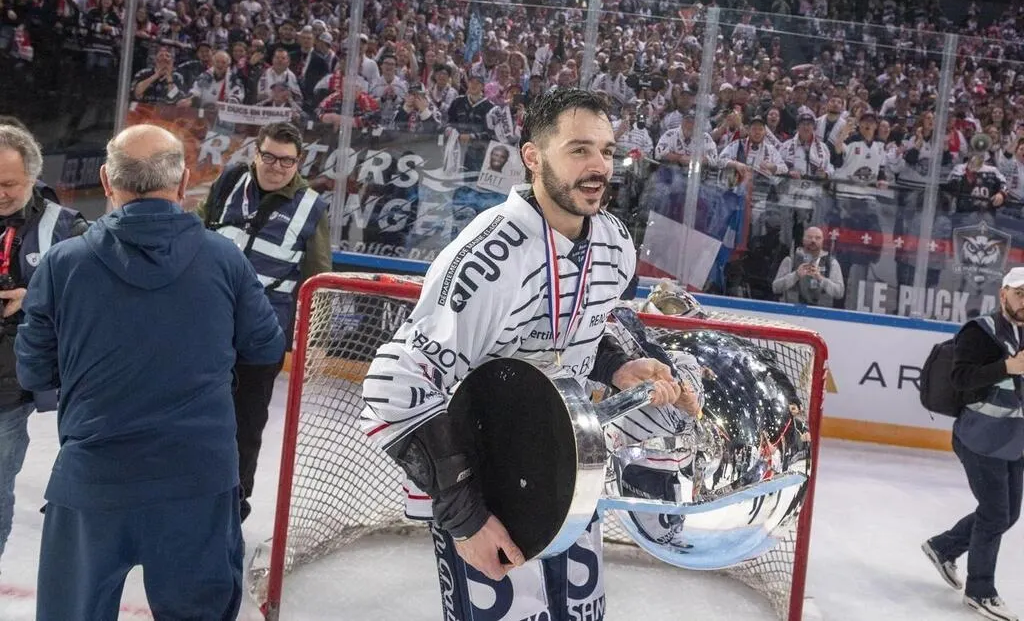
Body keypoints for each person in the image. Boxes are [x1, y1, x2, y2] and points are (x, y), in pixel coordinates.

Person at [361, 89, 700, 620]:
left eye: (608, 152)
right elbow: (395, 384)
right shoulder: (493, 256)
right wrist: (466, 518)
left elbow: (587, 322)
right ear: (533, 156)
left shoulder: (614, 241)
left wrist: (615, 364)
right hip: (486, 484)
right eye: (579, 150)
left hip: (569, 468)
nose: (599, 168)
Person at [15, 124, 285, 621]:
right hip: (197, 477)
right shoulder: (224, 258)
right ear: (183, 183)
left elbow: (33, 366)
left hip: (94, 478)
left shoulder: (62, 263)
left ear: (106, 180)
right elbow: (266, 346)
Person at [197, 121, 332, 521]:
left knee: (245, 423)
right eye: (270, 156)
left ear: (299, 163)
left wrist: (316, 338)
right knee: (190, 413)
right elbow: (197, 235)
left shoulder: (312, 207)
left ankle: (232, 507)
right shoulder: (228, 183)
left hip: (261, 335)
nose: (277, 166)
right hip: (205, 324)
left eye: (287, 161)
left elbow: (317, 279)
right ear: (256, 153)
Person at [0, 124, 87, 570]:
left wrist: (30, 295)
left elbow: (95, 295)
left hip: (10, 388)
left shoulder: (67, 227)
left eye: (9, 184)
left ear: (33, 177)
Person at [921, 267, 1024, 621]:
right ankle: (981, 590)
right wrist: (1006, 367)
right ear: (1003, 294)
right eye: (1019, 293)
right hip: (979, 438)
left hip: (1014, 441)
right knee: (996, 513)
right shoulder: (980, 332)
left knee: (1007, 515)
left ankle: (943, 546)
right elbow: (961, 379)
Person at [771, 227, 845, 306]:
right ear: (803, 239)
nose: (813, 240)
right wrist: (796, 275)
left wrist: (820, 278)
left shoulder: (831, 263)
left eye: (817, 238)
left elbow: (839, 293)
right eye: (809, 237)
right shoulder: (790, 260)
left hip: (822, 314)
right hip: (792, 312)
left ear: (822, 241)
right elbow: (775, 288)